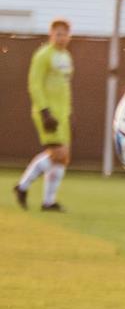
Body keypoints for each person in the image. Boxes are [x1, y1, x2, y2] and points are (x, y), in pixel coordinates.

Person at [15, 19, 73, 212]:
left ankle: (48, 201)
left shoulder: (66, 57)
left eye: (64, 33)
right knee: (58, 153)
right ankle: (23, 186)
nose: (61, 37)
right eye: (58, 33)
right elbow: (35, 84)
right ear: (51, 34)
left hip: (62, 113)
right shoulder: (43, 55)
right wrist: (44, 110)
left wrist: (68, 113)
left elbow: (65, 87)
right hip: (48, 111)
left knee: (63, 158)